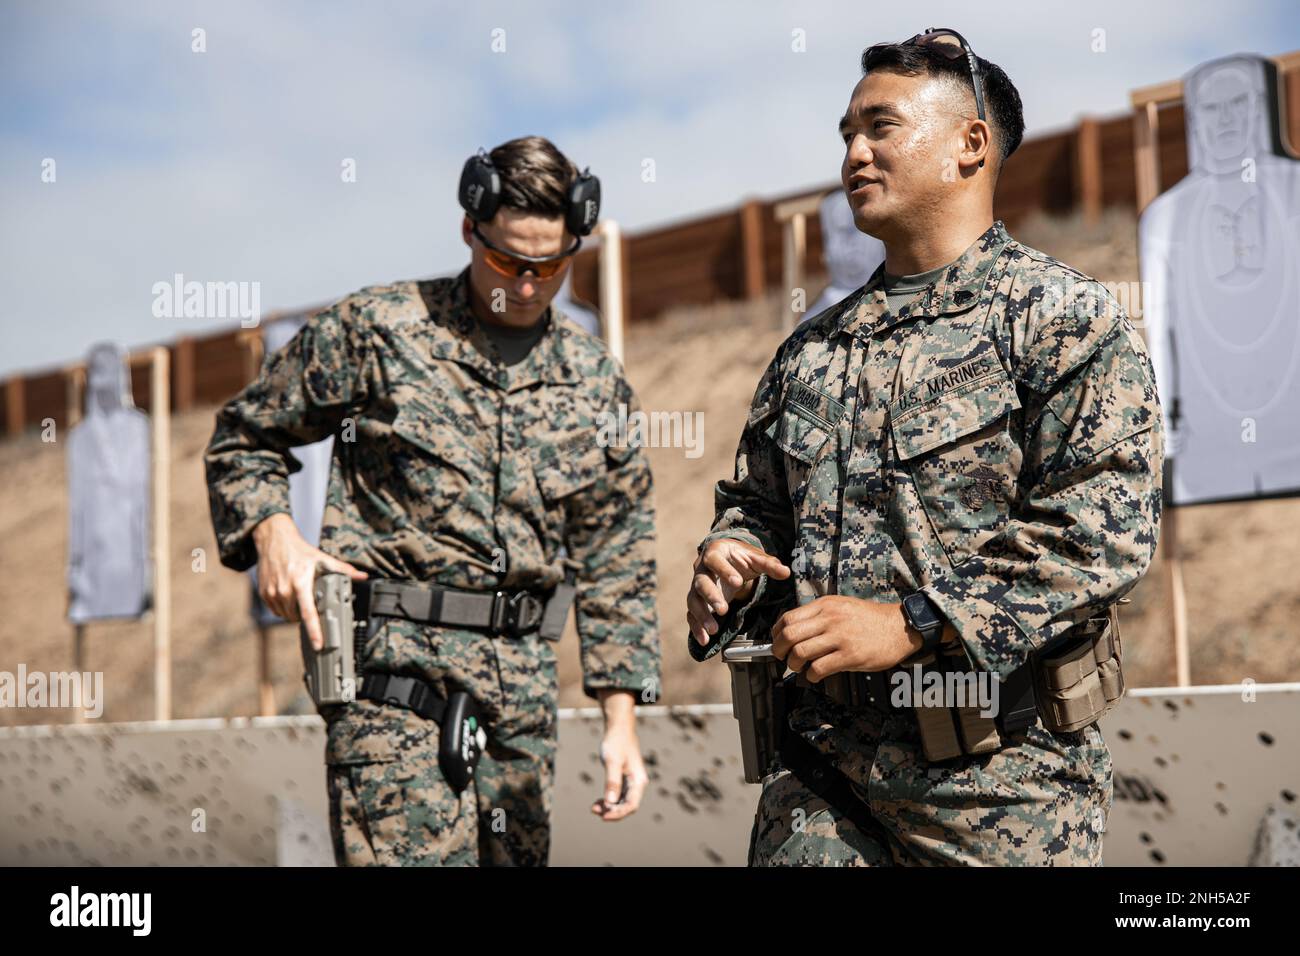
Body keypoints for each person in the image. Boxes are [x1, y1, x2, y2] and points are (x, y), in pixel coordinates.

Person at [686, 29, 1163, 866]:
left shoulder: (1059, 318)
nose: (854, 154)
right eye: (846, 134)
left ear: (969, 145)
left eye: (881, 127)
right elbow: (758, 506)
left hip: (1002, 785)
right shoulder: (813, 350)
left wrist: (912, 623)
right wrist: (731, 558)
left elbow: (1101, 531)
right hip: (820, 781)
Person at [206, 135, 661, 866]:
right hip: (392, 682)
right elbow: (244, 436)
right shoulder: (379, 330)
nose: (529, 284)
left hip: (522, 703)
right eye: (509, 261)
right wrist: (271, 531)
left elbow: (617, 552)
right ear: (469, 231)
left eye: (552, 266)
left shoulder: (593, 378)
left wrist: (621, 717)